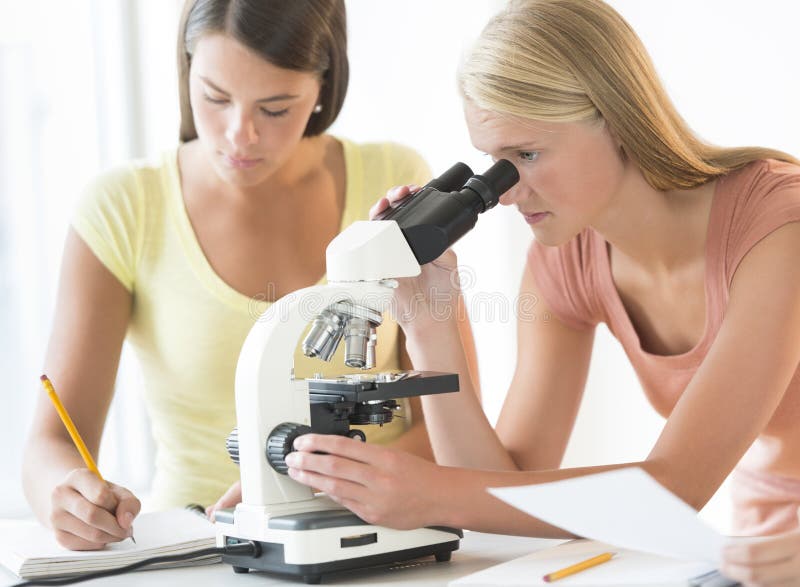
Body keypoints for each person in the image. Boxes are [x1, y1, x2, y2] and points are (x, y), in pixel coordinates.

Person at [284, 0, 800, 576]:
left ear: (617, 120)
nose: (505, 193)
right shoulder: (566, 257)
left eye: (526, 155)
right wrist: (429, 323)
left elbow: (672, 488)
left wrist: (431, 492)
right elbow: (508, 488)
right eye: (494, 163)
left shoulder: (780, 227)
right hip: (767, 539)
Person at [21, 0, 477, 551]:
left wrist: (309, 489)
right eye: (215, 98)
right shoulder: (123, 208)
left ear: (324, 85)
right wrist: (67, 496)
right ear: (187, 69)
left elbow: (453, 421)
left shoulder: (393, 180)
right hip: (198, 547)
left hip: (375, 537)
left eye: (276, 108)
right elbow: (51, 442)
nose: (240, 135)